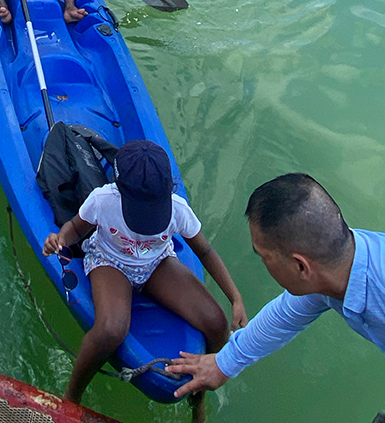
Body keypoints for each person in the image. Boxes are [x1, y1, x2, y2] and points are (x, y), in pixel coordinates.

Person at [43, 140, 248, 422]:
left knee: (216, 322)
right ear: (120, 190)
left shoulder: (177, 208)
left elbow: (205, 251)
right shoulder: (104, 200)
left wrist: (235, 297)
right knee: (111, 330)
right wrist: (60, 239)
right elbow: (77, 228)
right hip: (109, 261)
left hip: (156, 263)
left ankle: (198, 395)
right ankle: (71, 398)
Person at [167, 173, 385, 422]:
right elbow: (285, 314)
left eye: (264, 257)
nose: (263, 264)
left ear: (300, 266)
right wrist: (224, 363)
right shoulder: (333, 267)